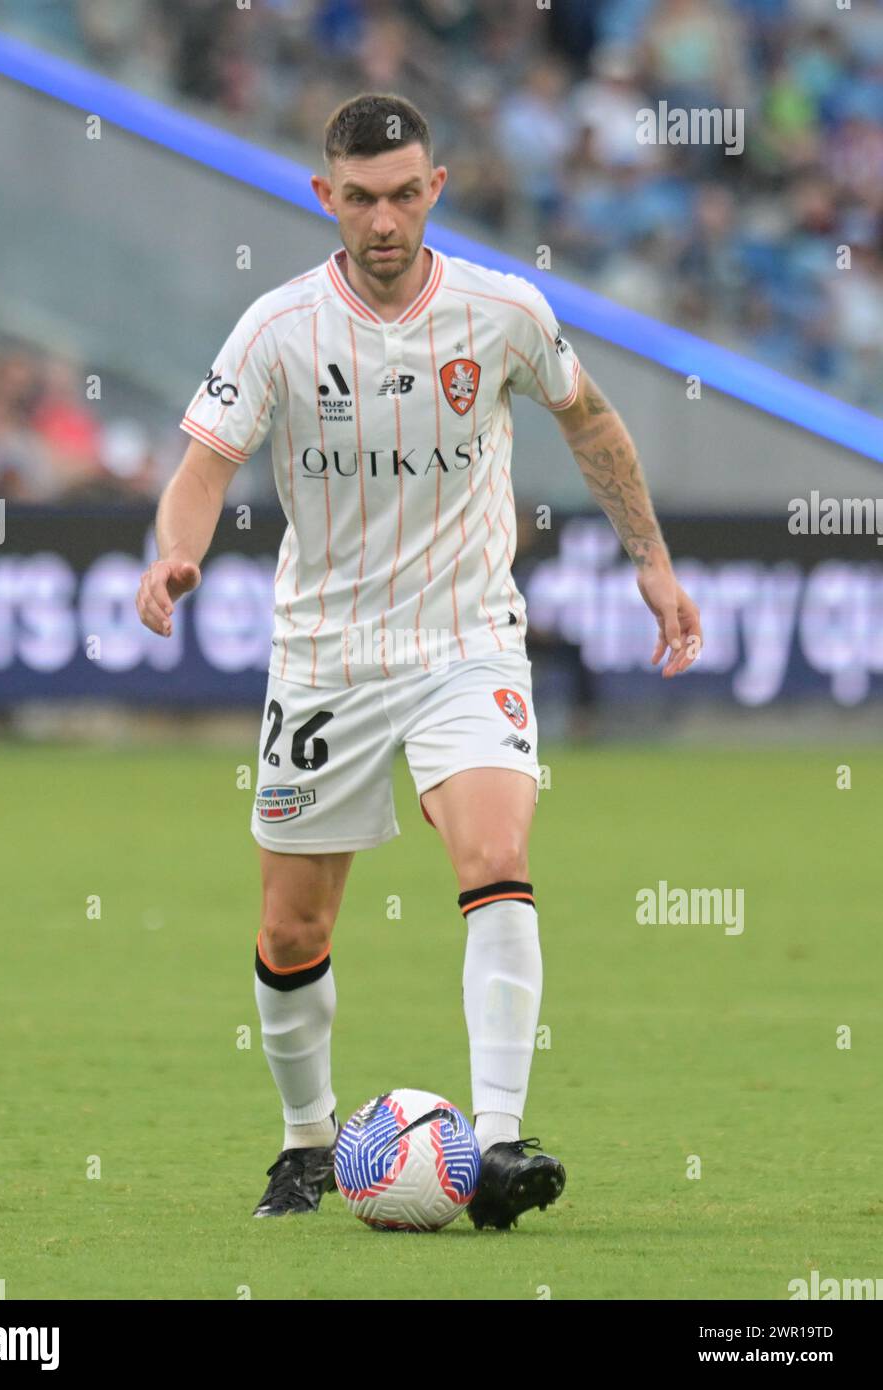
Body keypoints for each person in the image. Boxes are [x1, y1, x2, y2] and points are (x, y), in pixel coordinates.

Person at [136, 92, 701, 1230]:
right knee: (295, 926)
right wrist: (175, 557)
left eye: (404, 195)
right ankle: (305, 1141)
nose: (384, 220)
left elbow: (588, 420)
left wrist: (650, 555)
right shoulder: (278, 329)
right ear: (324, 196)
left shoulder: (504, 311)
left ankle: (496, 1140)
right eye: (360, 198)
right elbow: (203, 463)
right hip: (327, 654)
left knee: (495, 850)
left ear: (435, 189)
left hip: (466, 638)